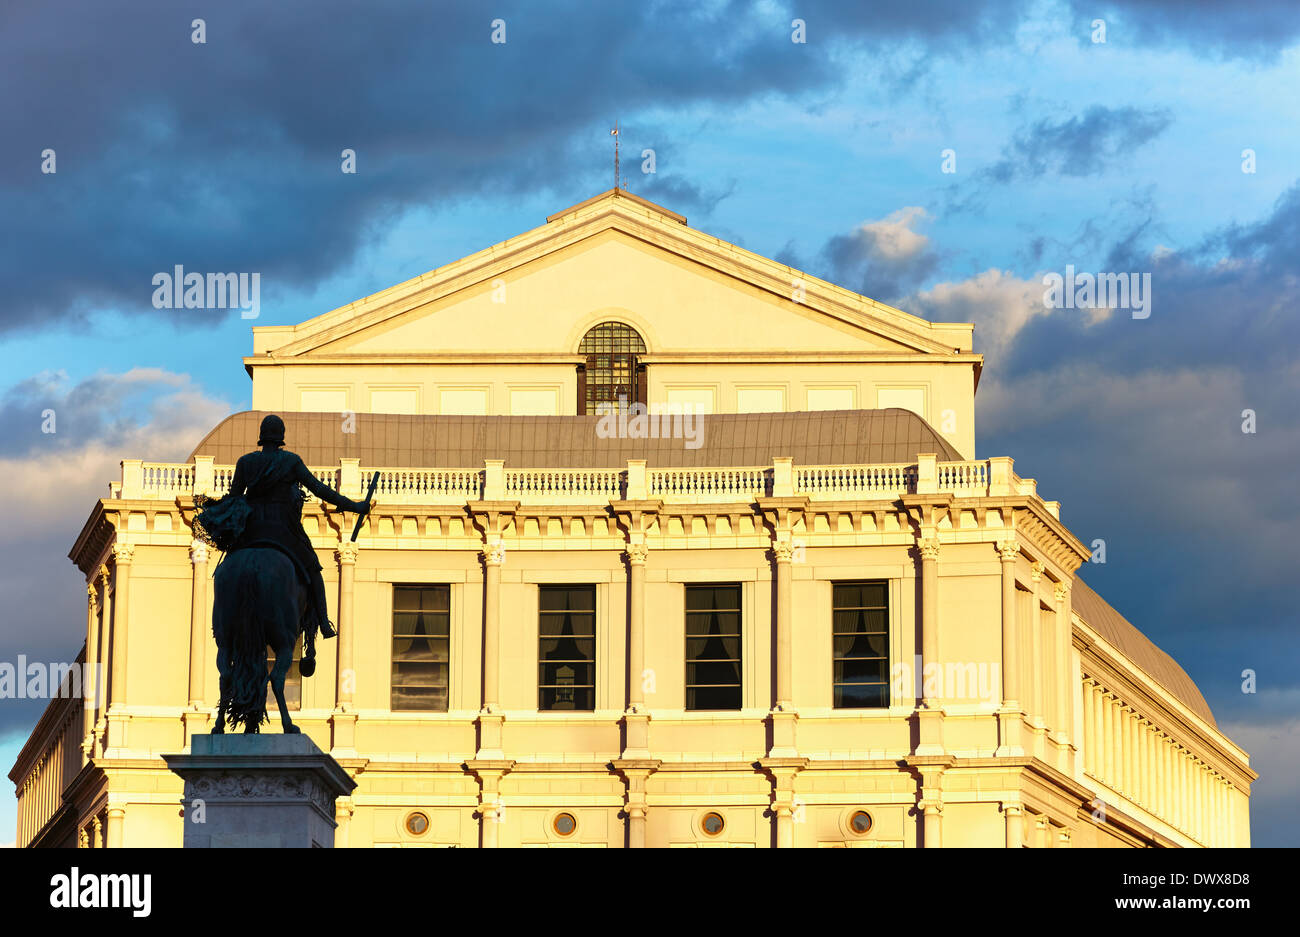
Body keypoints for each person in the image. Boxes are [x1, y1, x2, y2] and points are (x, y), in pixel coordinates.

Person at [195, 414, 371, 643]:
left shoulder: (245, 462)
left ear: (262, 437)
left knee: (227, 568)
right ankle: (323, 621)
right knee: (313, 570)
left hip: (252, 528)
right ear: (281, 437)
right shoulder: (291, 461)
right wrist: (354, 506)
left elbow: (235, 498)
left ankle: (219, 624)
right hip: (283, 529)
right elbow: (319, 490)